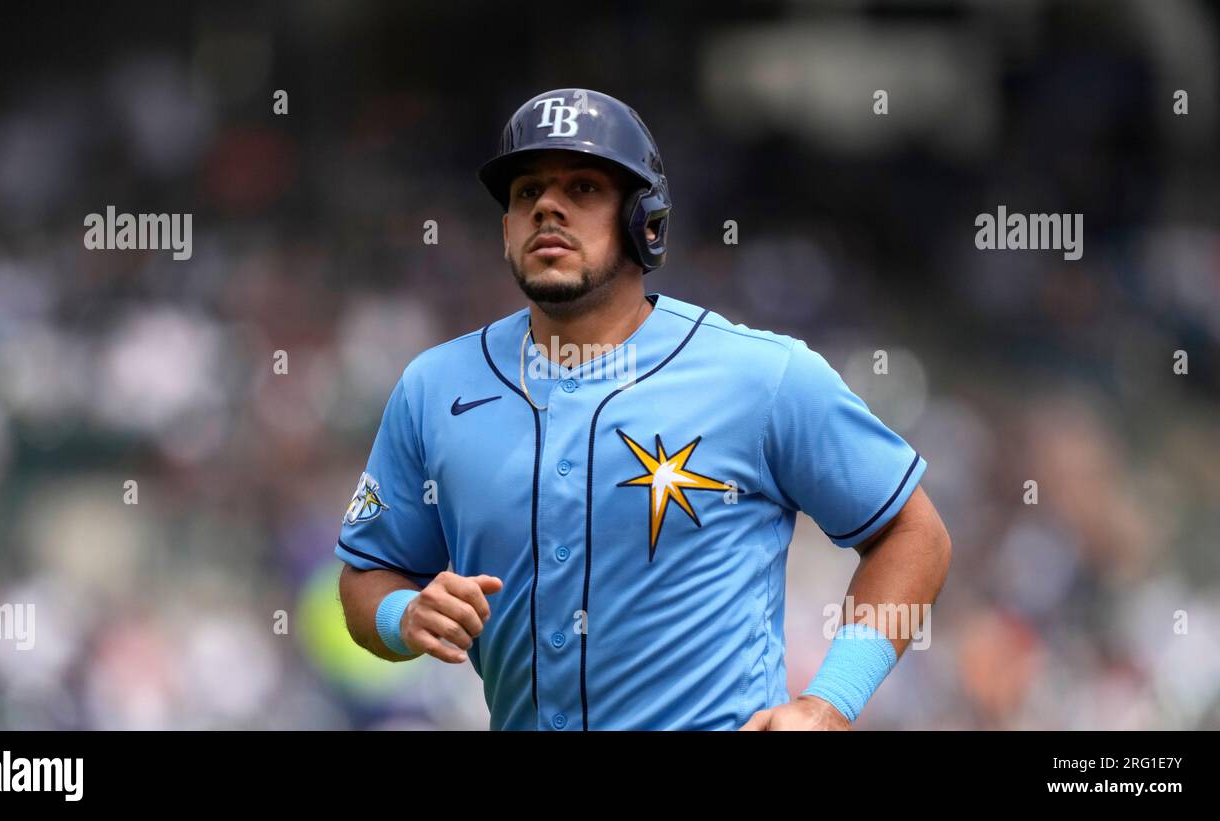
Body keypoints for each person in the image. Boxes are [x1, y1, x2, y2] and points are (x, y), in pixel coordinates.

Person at [337, 88, 951, 730]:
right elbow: (367, 576)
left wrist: (830, 704)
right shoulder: (432, 387)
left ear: (644, 222)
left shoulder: (763, 376)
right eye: (527, 193)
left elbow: (914, 536)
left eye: (582, 189)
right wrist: (401, 618)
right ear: (507, 229)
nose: (547, 206)